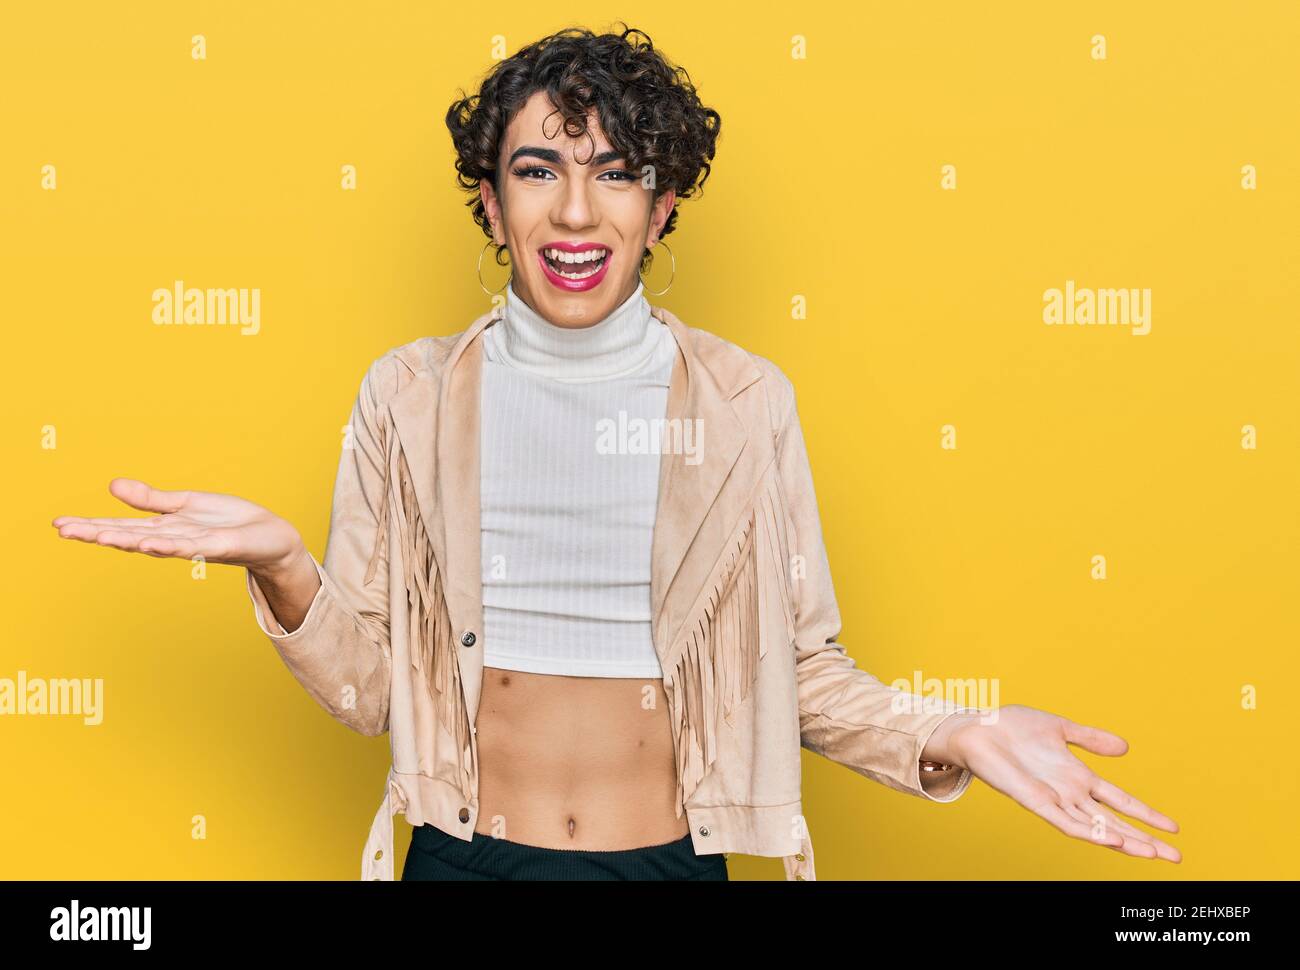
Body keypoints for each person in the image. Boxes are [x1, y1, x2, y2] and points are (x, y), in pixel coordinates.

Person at [51, 24, 1180, 880]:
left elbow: (799, 675)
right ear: (491, 206)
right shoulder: (406, 396)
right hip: (465, 858)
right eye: (539, 169)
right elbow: (365, 690)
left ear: (663, 202)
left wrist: (951, 729)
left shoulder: (745, 403)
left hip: (672, 862)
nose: (577, 211)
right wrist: (284, 566)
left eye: (617, 170)